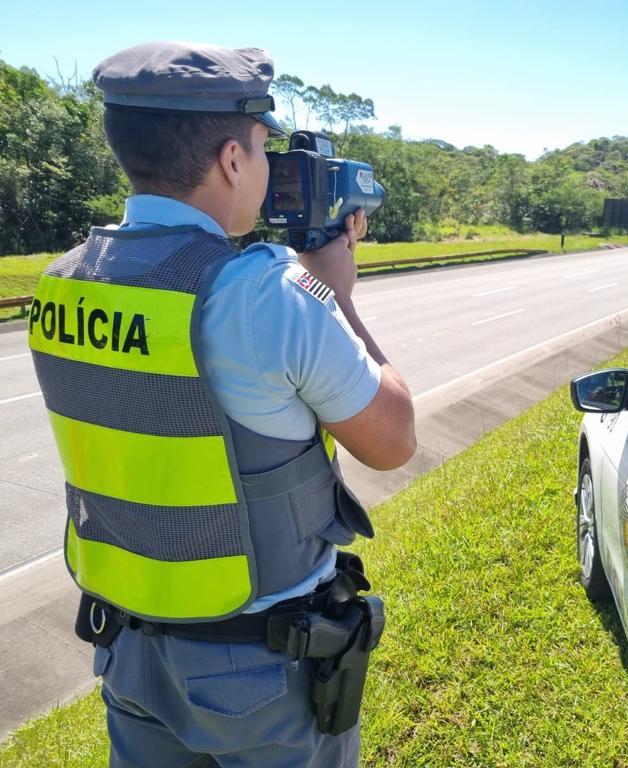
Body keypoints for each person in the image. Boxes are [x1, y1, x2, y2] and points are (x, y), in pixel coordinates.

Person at [27, 41, 416, 767]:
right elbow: (392, 441)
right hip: (258, 671)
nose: (270, 174)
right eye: (266, 151)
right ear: (233, 161)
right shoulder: (262, 294)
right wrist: (337, 294)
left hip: (128, 653)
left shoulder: (63, 285)